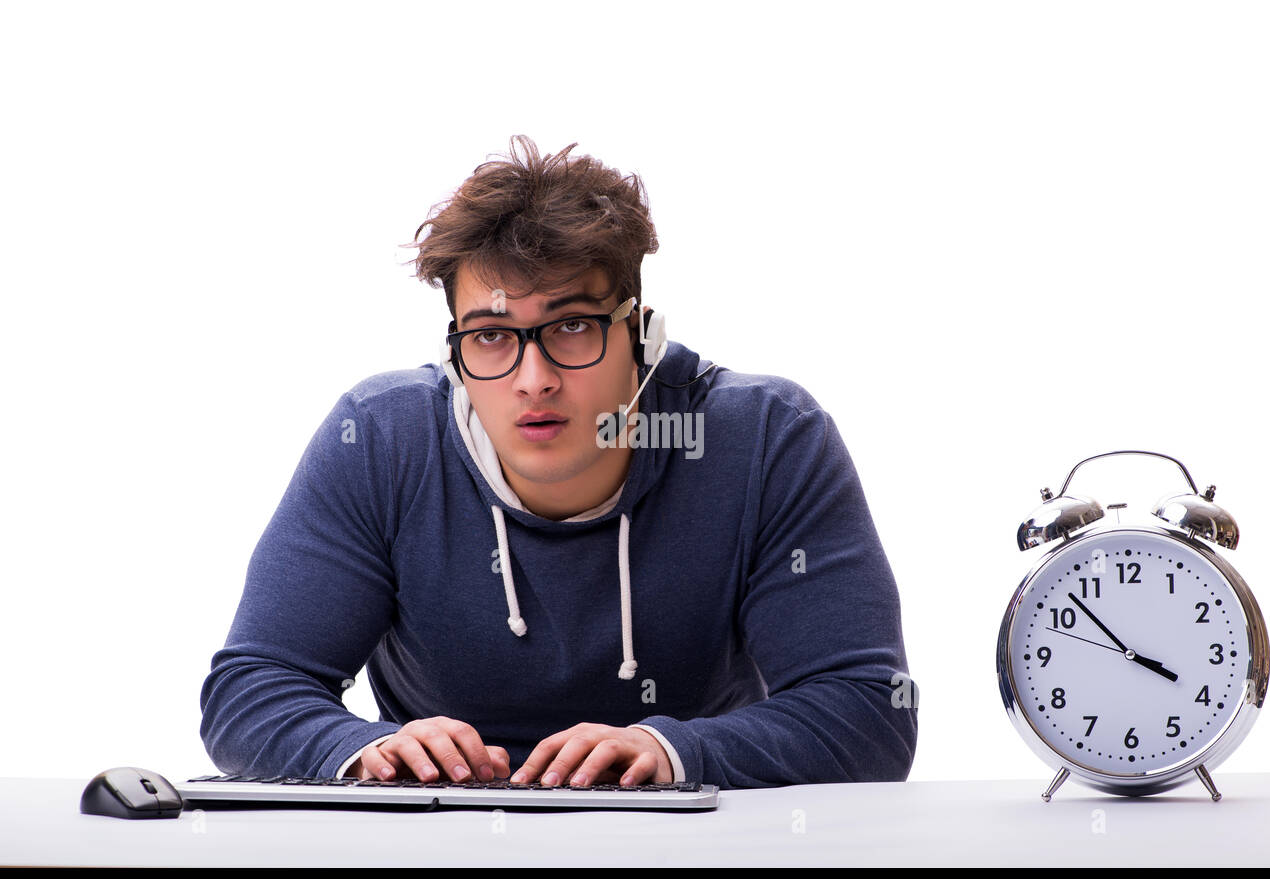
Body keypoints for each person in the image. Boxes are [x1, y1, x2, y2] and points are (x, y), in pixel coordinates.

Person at [199, 135, 918, 789]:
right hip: (438, 846)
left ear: (642, 333)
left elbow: (869, 711)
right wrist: (364, 749)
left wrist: (675, 753)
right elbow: (250, 687)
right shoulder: (381, 442)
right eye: (490, 336)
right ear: (454, 350)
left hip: (691, 845)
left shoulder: (765, 440)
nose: (532, 378)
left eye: (572, 326)